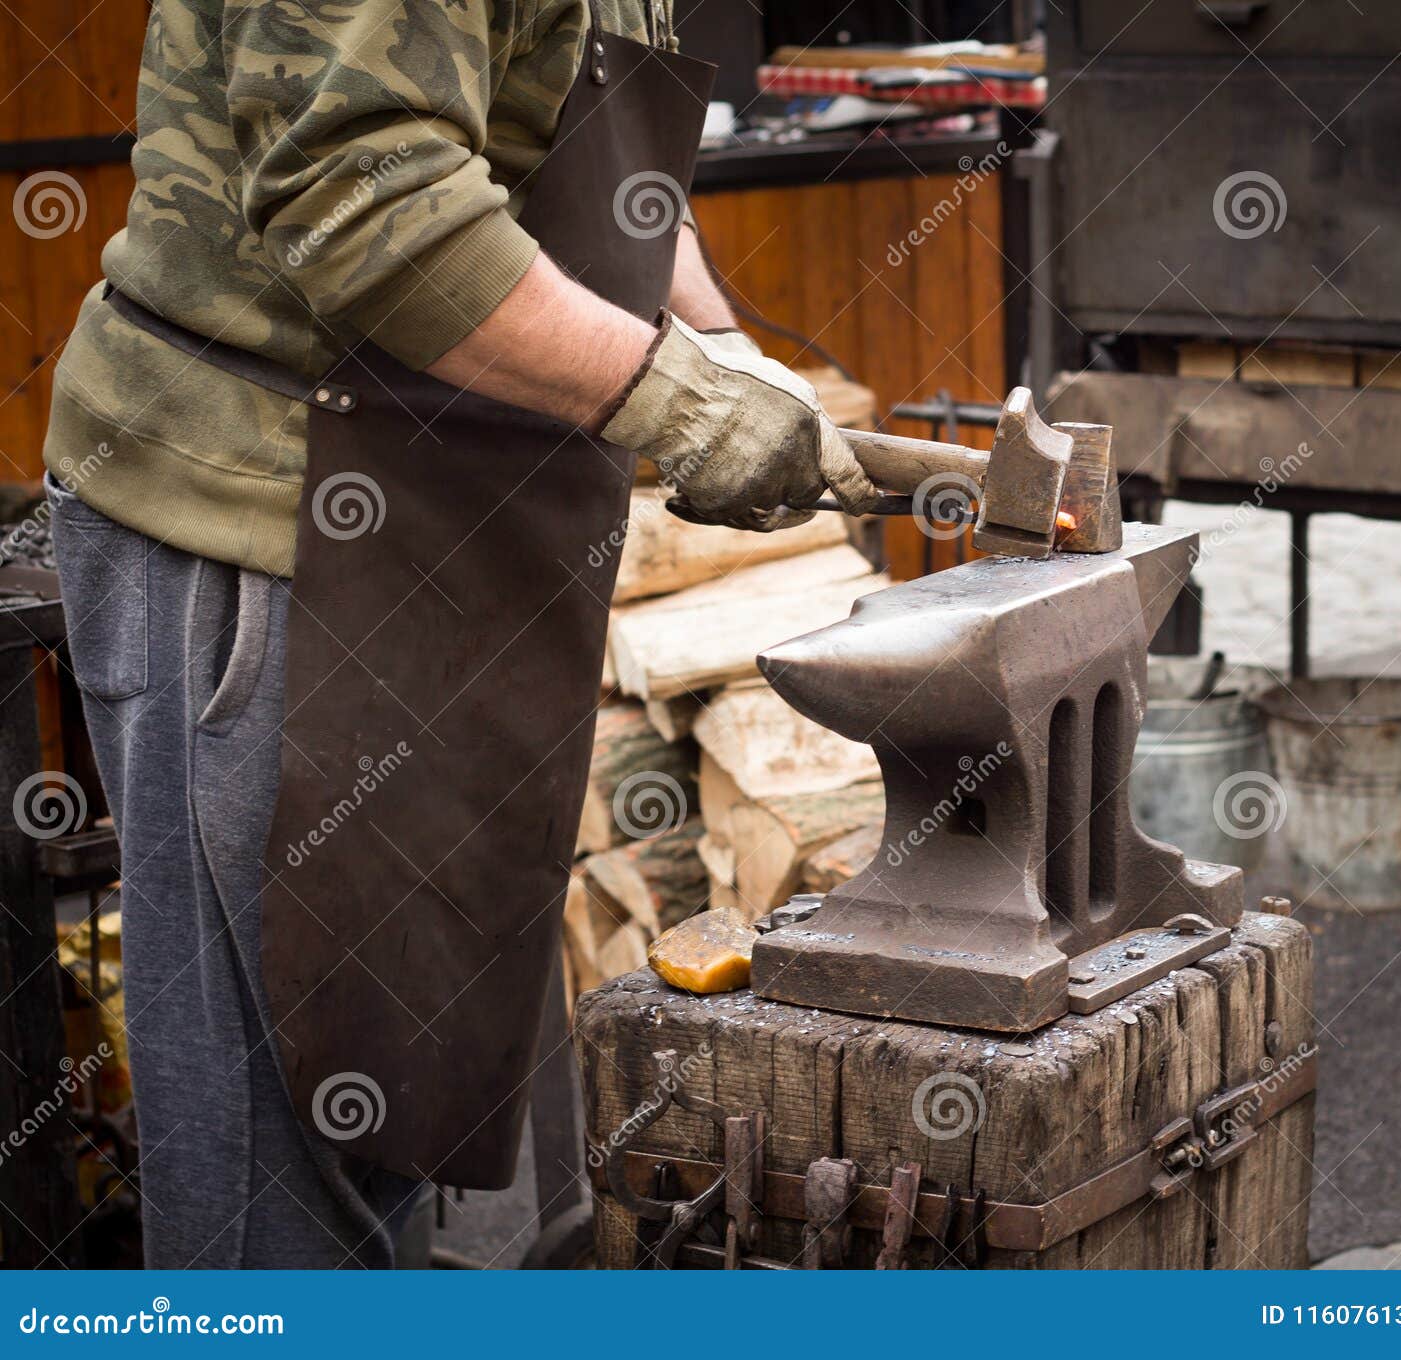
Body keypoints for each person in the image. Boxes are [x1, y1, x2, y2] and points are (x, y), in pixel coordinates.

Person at [43, 0, 872, 1268]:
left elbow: (559, 134)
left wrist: (717, 341)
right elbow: (367, 200)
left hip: (426, 526)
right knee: (281, 1176)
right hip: (267, 524)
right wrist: (680, 399)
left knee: (384, 1101)